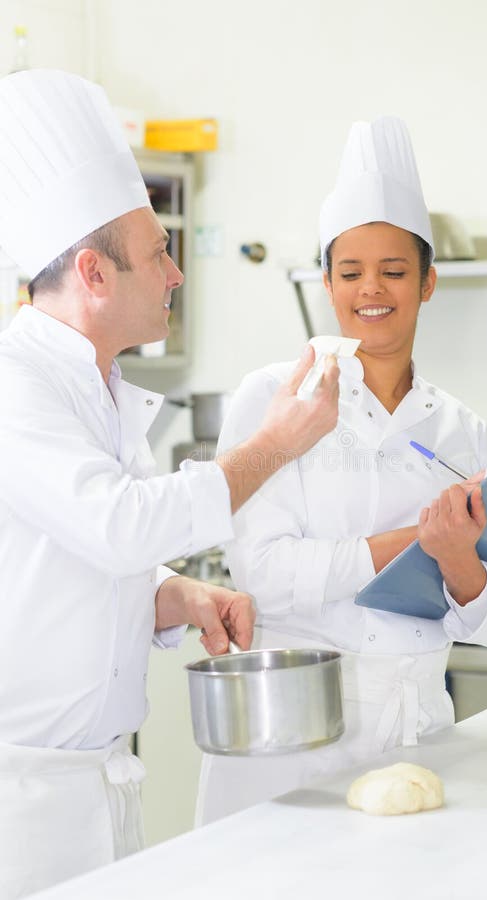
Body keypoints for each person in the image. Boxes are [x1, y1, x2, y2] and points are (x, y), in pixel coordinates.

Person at [0, 69, 339, 900]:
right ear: (94, 273)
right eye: (159, 253)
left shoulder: (101, 385)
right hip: (24, 799)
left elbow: (73, 559)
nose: (177, 274)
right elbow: (119, 525)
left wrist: (171, 595)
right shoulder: (17, 383)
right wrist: (275, 444)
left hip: (99, 784)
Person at [195, 117, 487, 825]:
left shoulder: (463, 432)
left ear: (429, 281)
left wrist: (459, 564)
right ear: (326, 282)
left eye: (394, 270)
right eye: (350, 272)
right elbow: (264, 573)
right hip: (293, 739)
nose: (371, 289)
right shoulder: (274, 399)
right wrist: (420, 541)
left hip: (418, 739)